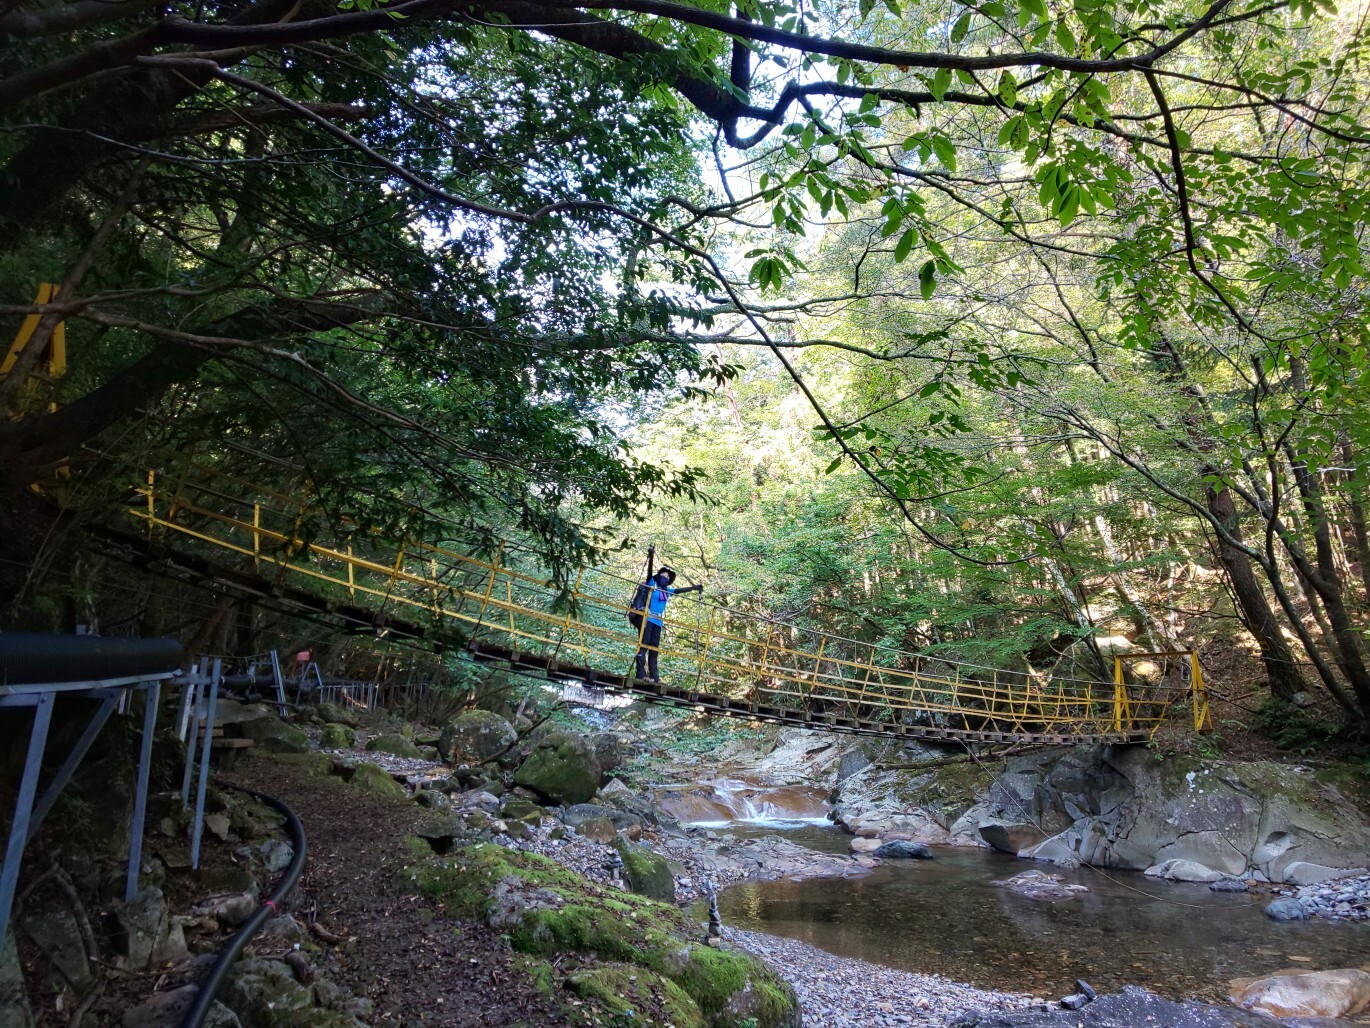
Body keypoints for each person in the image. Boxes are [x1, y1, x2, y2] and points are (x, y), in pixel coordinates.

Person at [634, 565, 703, 683]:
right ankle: (640, 674)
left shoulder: (667, 591)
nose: (664, 578)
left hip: (658, 622)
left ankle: (654, 676)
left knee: (654, 649)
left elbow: (680, 590)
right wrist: (651, 556)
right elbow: (649, 572)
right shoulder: (652, 584)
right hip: (648, 619)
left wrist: (695, 588)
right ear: (659, 576)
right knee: (644, 645)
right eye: (663, 576)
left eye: (667, 577)